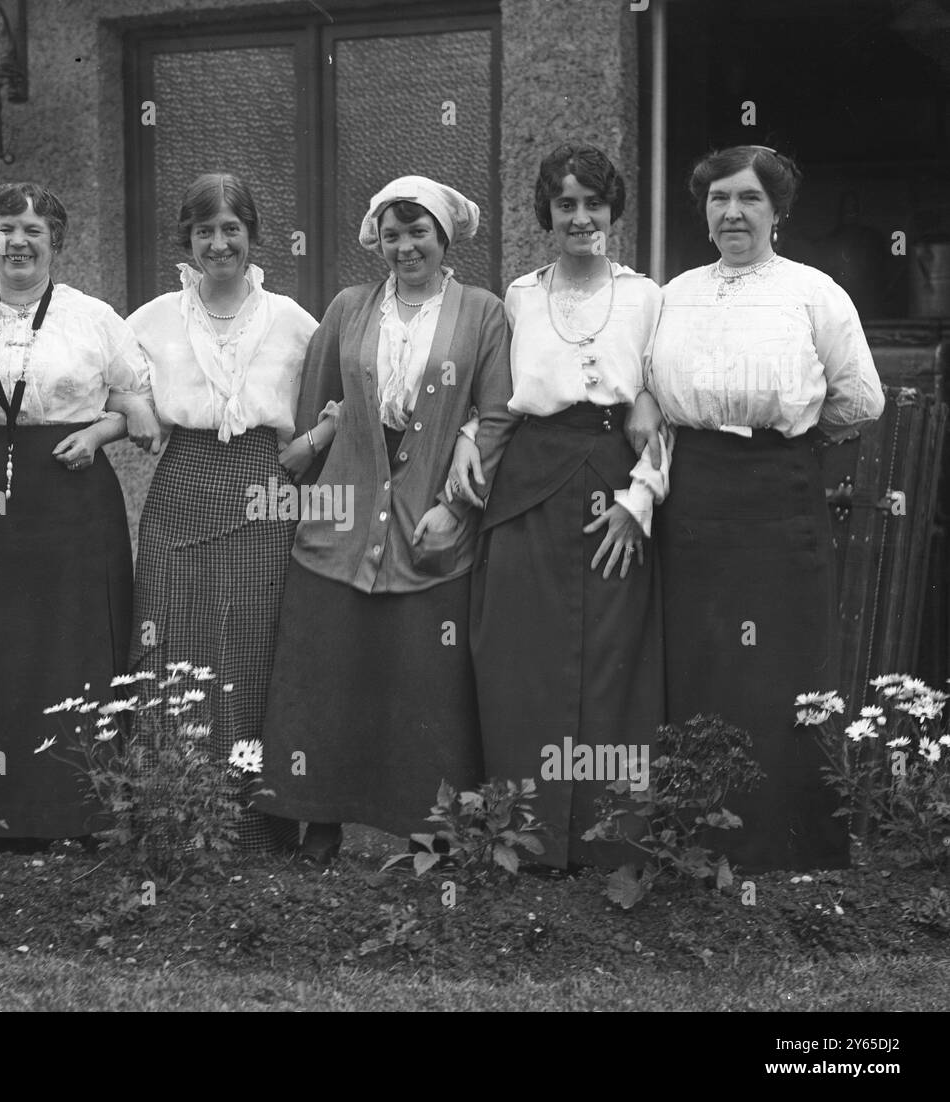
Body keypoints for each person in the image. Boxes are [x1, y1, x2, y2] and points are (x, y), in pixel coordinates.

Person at [255, 176, 512, 864]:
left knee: (421, 678)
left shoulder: (483, 314)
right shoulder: (349, 308)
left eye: (418, 232)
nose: (405, 247)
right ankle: (318, 820)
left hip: (428, 521)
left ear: (443, 238)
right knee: (325, 672)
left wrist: (456, 508)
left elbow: (498, 414)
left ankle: (428, 828)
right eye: (393, 234)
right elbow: (318, 407)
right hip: (340, 520)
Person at [644, 145, 885, 871]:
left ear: (777, 210)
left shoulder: (814, 292)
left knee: (786, 668)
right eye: (719, 199)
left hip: (781, 492)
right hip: (696, 495)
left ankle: (794, 845)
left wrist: (796, 445)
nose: (732, 213)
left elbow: (861, 399)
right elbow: (650, 390)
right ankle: (703, 838)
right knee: (702, 660)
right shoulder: (674, 294)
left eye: (749, 199)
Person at [448, 144, 666, 869]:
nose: (580, 217)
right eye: (566, 204)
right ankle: (522, 835)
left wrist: (643, 494)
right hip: (532, 475)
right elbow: (501, 392)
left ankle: (611, 839)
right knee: (518, 648)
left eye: (593, 203)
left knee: (611, 651)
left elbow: (666, 405)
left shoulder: (646, 297)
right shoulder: (519, 295)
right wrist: (468, 440)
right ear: (547, 213)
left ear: (613, 211)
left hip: (613, 474)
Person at [0, 182, 156, 850]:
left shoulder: (94, 319)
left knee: (72, 646)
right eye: (4, 229)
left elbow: (143, 409)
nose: (18, 242)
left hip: (73, 500)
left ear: (56, 240)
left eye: (33, 230)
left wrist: (96, 433)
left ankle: (79, 815)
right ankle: (0, 815)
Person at [124, 174, 318, 852]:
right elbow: (108, 385)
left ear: (251, 235)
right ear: (189, 239)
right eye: (205, 230)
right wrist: (130, 412)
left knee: (250, 650)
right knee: (176, 646)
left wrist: (311, 452)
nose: (218, 243)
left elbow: (335, 401)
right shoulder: (151, 321)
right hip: (181, 491)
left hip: (263, 493)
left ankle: (254, 825)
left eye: (231, 228)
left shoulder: (293, 321)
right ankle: (173, 818)